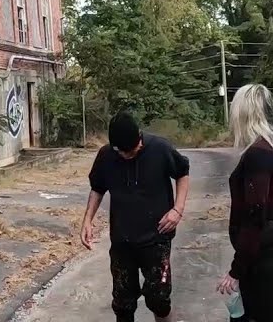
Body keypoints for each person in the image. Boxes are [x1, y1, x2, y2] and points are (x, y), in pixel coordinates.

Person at [81, 111, 191, 322]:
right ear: (115, 149)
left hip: (156, 238)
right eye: (126, 153)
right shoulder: (106, 156)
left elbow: (182, 172)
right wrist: (87, 220)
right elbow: (97, 188)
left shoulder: (160, 148)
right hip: (122, 241)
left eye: (135, 149)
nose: (132, 154)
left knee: (158, 299)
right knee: (123, 304)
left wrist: (177, 209)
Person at [215, 83, 273, 321]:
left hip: (263, 251)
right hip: (263, 248)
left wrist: (236, 269)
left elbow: (255, 215)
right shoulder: (271, 146)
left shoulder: (259, 153)